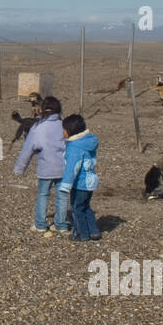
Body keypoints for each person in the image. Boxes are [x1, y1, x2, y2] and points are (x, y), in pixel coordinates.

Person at [12, 95, 69, 234]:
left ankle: (40, 224)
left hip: (46, 168)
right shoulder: (64, 125)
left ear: (42, 110)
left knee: (43, 194)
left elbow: (28, 149)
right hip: (64, 167)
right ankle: (61, 224)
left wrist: (19, 169)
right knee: (62, 195)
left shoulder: (38, 127)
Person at [61, 113, 99, 241]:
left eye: (64, 130)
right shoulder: (87, 142)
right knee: (86, 207)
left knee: (77, 209)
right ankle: (94, 231)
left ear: (69, 131)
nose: (62, 132)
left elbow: (72, 168)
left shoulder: (74, 147)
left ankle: (81, 234)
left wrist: (65, 185)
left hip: (80, 183)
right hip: (91, 181)